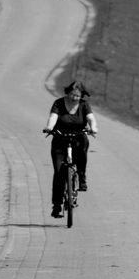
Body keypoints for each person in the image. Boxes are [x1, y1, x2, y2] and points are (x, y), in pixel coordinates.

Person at [43, 81, 98, 218]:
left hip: (78, 138)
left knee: (82, 155)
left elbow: (91, 118)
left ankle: (81, 176)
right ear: (68, 93)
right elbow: (53, 117)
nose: (74, 98)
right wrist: (49, 127)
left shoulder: (84, 105)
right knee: (58, 173)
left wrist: (93, 128)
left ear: (81, 96)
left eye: (78, 96)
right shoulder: (58, 103)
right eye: (72, 95)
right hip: (60, 140)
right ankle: (57, 206)